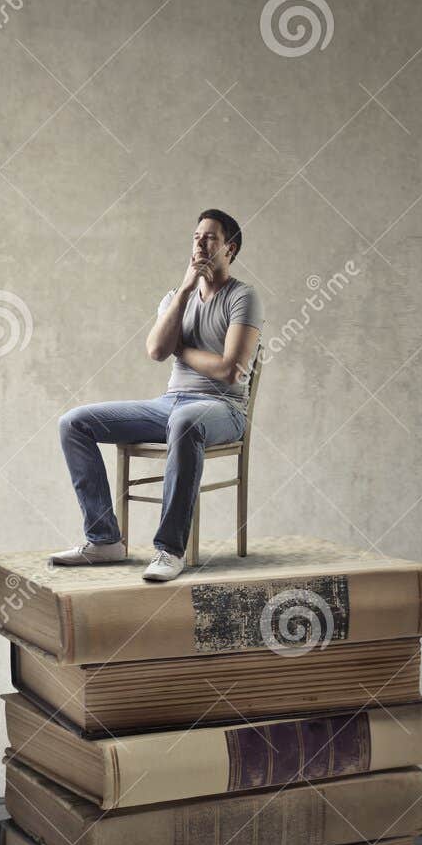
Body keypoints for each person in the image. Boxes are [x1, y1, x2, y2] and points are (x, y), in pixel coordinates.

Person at [51, 209, 262, 582]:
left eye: (210, 237)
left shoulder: (243, 297)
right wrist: (184, 290)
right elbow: (154, 350)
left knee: (185, 421)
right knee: (74, 423)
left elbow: (232, 370)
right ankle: (104, 541)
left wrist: (180, 349)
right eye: (196, 236)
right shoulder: (175, 297)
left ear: (229, 248)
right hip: (170, 404)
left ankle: (169, 550)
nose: (200, 243)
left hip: (223, 409)